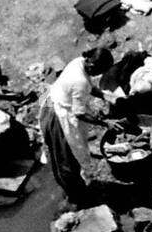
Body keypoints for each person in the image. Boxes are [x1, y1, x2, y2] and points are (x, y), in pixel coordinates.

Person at [38, 49, 114, 205]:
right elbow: (79, 113)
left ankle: (73, 190)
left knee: (59, 155)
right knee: (67, 162)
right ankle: (78, 198)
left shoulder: (79, 62)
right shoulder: (80, 81)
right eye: (100, 70)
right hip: (59, 118)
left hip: (51, 105)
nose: (98, 74)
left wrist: (104, 95)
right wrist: (105, 123)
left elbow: (89, 88)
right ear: (92, 64)